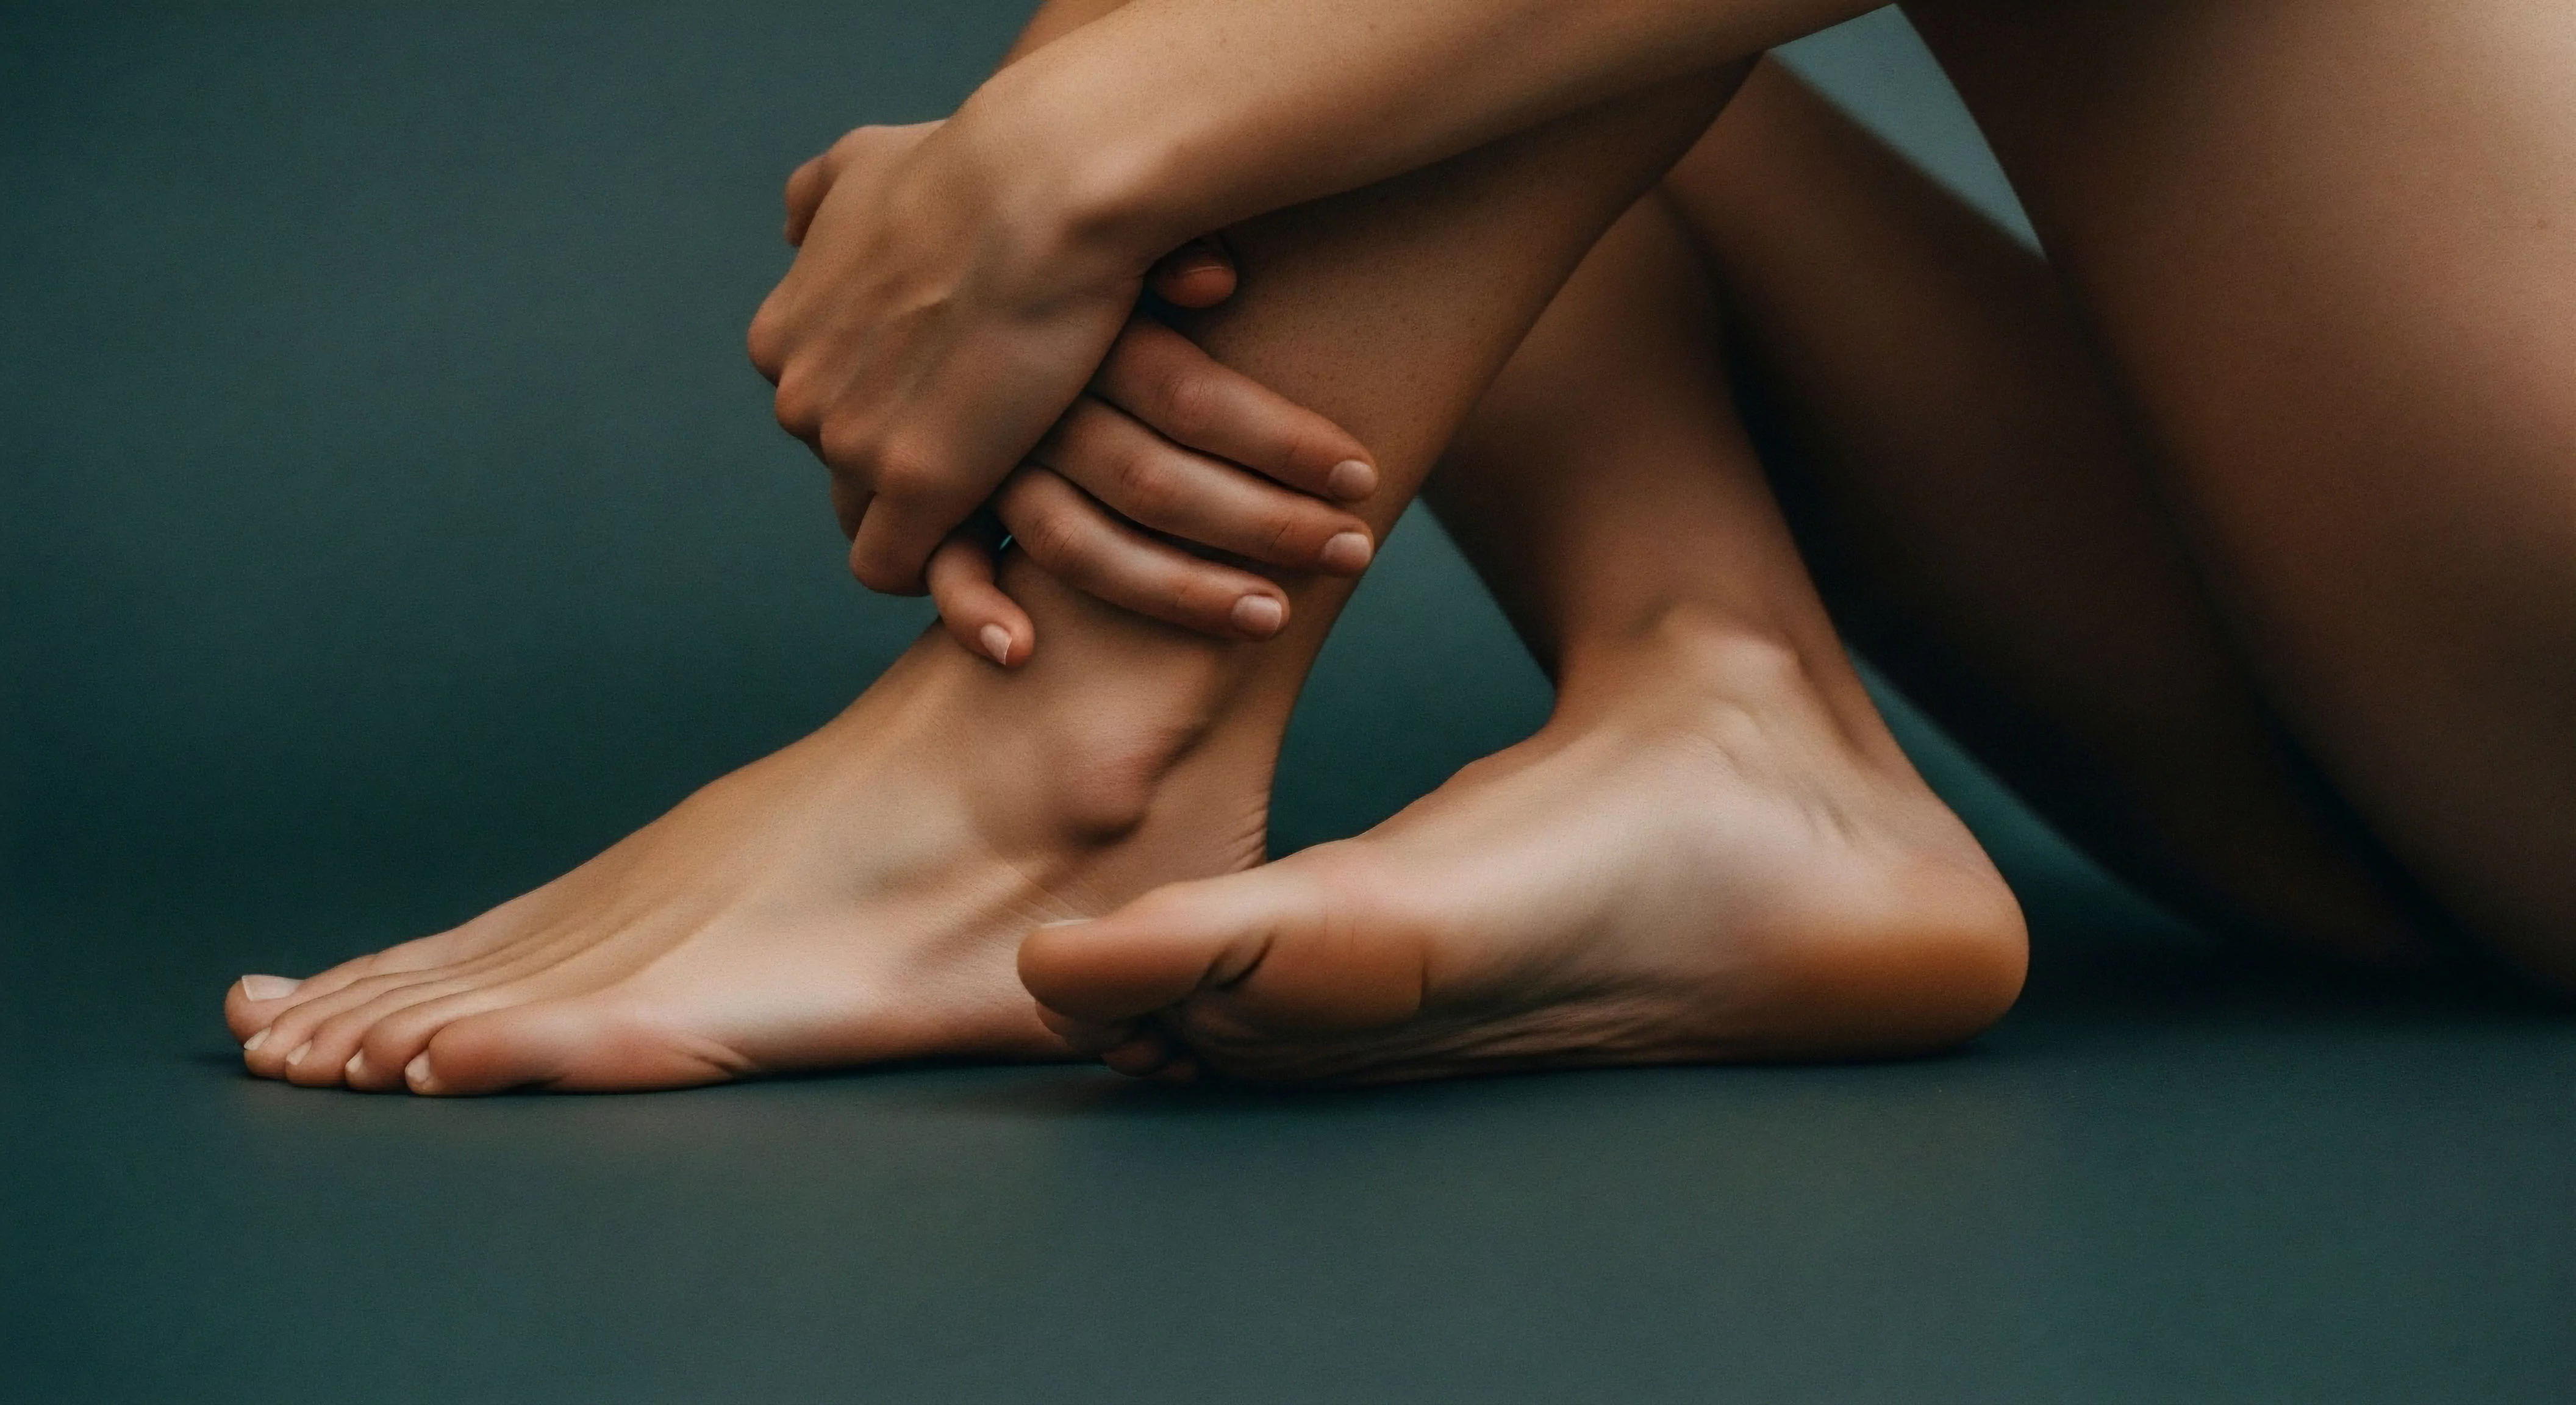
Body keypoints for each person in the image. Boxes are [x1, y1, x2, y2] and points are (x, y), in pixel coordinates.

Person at [224, 0, 2575, 1092]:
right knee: (1410, 52)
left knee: (1283, 60)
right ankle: (1721, 702)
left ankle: (1054, 761)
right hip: (2416, 714)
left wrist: (1077, 151)